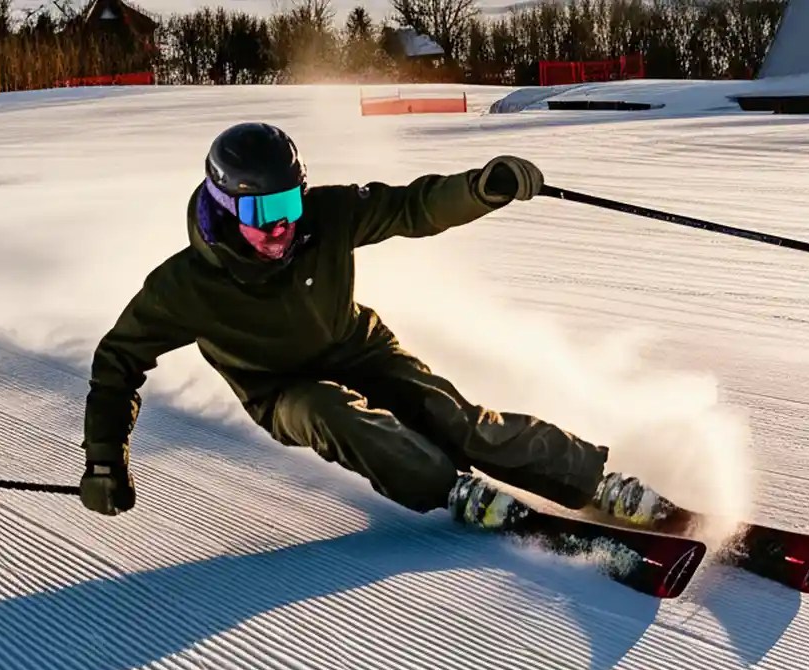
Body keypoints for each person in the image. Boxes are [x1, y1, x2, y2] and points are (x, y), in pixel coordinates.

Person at [79, 122, 670, 530]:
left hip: (358, 347)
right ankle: (450, 488)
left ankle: (592, 481)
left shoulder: (326, 216)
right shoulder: (183, 287)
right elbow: (117, 362)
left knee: (455, 420)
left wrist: (479, 190)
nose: (282, 226)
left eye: (290, 204)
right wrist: (105, 459)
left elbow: (410, 207)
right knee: (331, 412)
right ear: (226, 207)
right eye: (263, 211)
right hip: (281, 389)